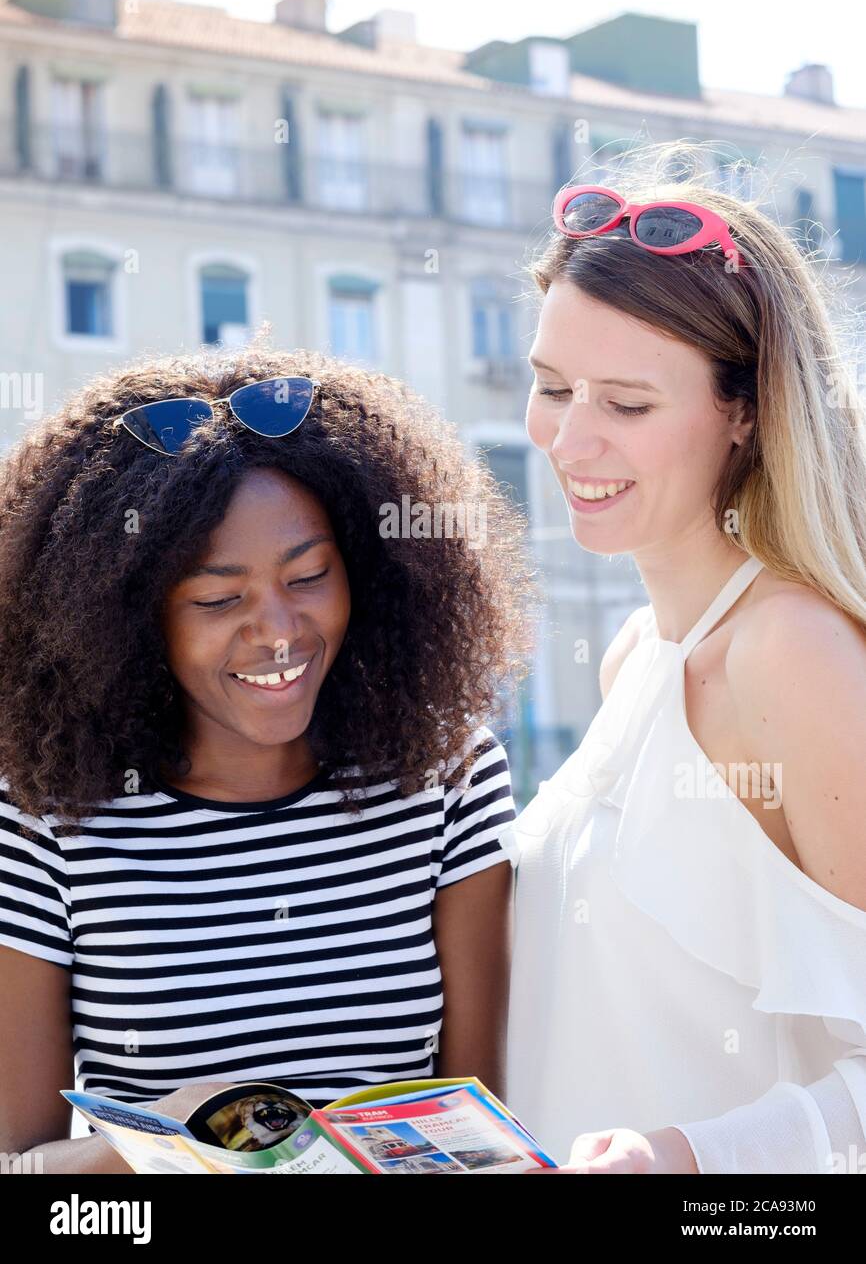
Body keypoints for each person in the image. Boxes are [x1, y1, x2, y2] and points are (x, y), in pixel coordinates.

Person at [0, 346, 537, 1173]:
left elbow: (480, 1132)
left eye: (311, 575)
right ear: (131, 618)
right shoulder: (44, 815)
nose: (280, 631)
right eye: (219, 599)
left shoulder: (448, 776)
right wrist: (179, 1133)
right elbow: (20, 1168)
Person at [504, 145, 866, 1174]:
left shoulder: (787, 655)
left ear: (743, 412)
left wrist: (682, 1161)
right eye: (549, 386)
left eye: (624, 404)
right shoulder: (632, 656)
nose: (569, 441)